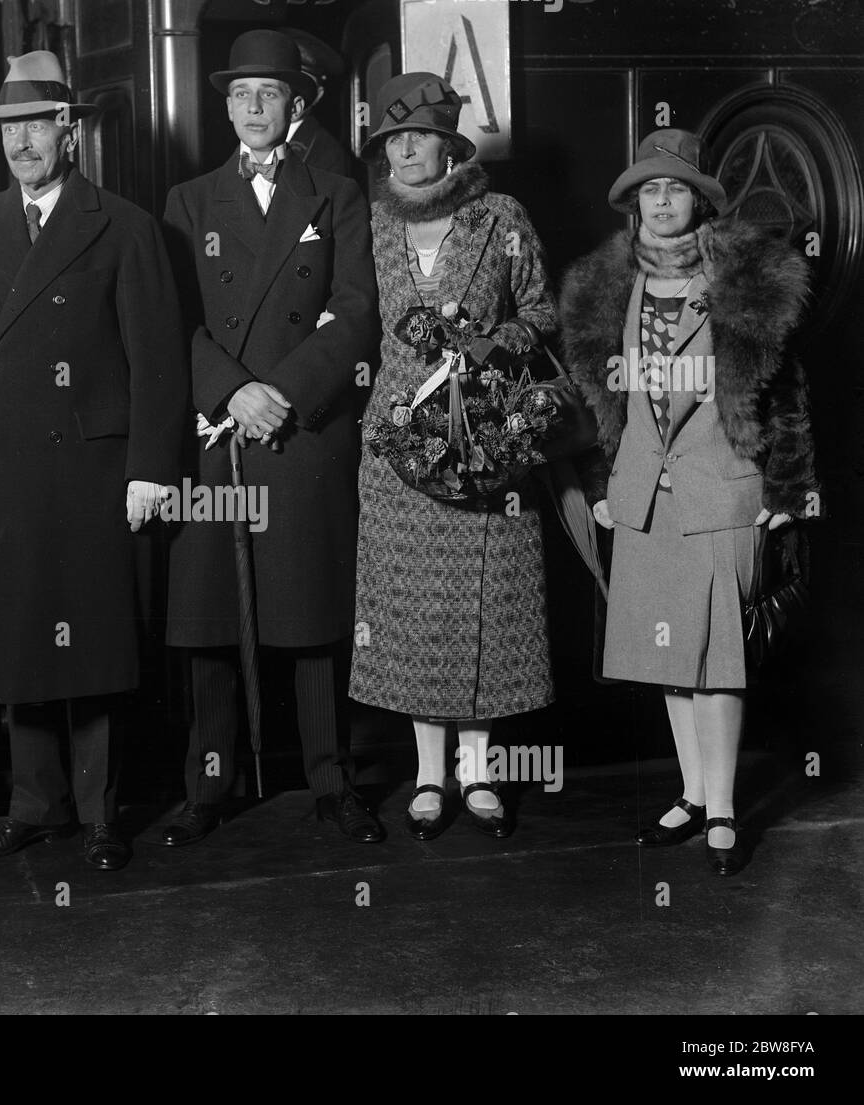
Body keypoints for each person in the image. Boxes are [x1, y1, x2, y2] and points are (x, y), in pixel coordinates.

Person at [0, 52, 187, 872]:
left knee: (96, 647)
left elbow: (157, 362)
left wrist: (150, 467)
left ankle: (103, 813)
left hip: (92, 468)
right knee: (15, 642)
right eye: (9, 130)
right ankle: (35, 807)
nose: (22, 143)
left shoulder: (126, 225)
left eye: (36, 125)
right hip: (3, 473)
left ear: (68, 131)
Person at [562, 128, 817, 875]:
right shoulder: (606, 287)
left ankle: (727, 808)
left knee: (719, 658)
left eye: (676, 188)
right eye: (650, 189)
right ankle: (692, 791)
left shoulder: (746, 281)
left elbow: (791, 394)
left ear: (701, 201)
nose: (663, 201)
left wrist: (790, 488)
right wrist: (602, 484)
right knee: (669, 656)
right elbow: (589, 399)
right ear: (635, 204)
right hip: (643, 493)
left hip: (720, 489)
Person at [160, 29, 382, 845]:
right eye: (241, 95)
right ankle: (207, 788)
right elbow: (171, 323)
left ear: (296, 105)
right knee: (212, 620)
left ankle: (333, 781)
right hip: (221, 431)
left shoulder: (335, 194)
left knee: (313, 615)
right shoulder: (187, 201)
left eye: (271, 95)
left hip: (301, 430)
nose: (255, 108)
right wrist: (234, 391)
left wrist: (282, 393)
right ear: (226, 108)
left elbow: (359, 312)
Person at [349, 74, 558, 842]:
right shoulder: (368, 225)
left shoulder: (500, 218)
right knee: (413, 612)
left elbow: (540, 309)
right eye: (392, 140)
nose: (404, 150)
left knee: (485, 605)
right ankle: (429, 774)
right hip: (400, 443)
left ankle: (480, 772)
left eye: (420, 136)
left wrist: (494, 344)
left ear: (452, 145)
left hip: (488, 446)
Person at [280, 28, 358, 179]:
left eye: (302, 87)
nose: (291, 96)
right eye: (285, 85)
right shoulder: (256, 136)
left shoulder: (328, 154)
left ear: (318, 95)